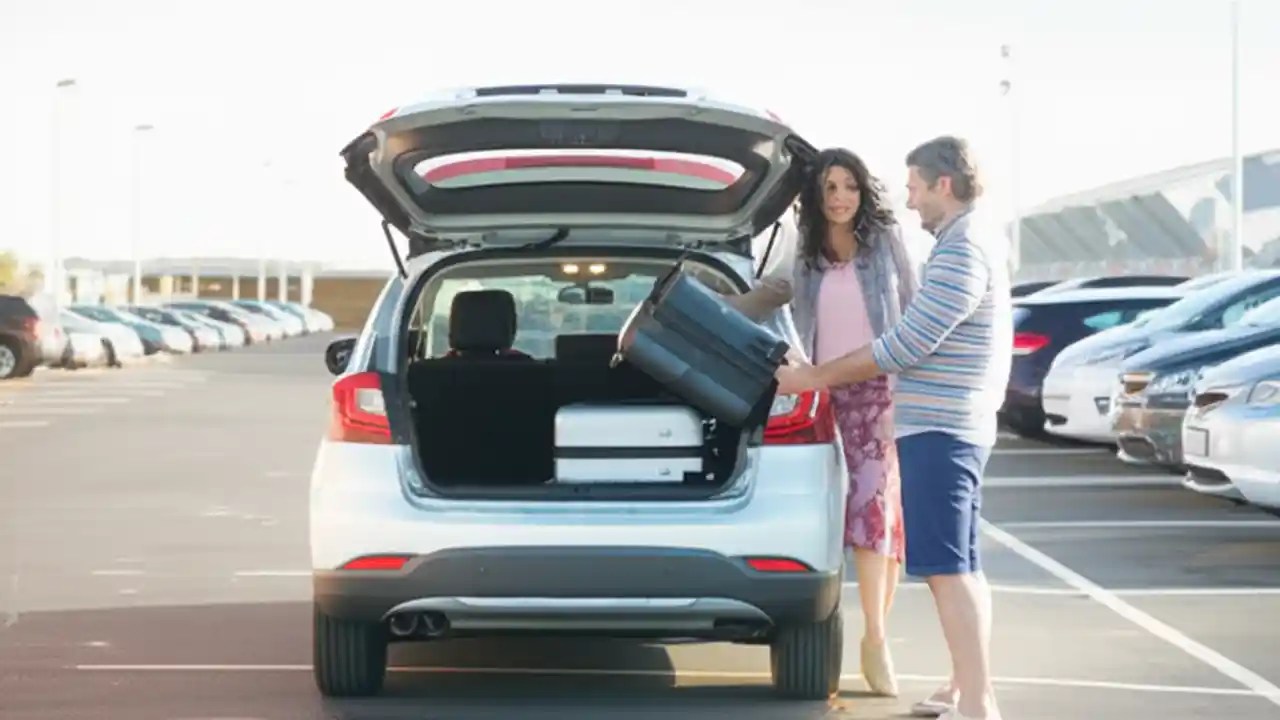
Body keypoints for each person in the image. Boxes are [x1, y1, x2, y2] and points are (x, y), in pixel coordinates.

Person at [775, 136, 1011, 720]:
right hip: (951, 424)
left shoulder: (961, 250)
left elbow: (906, 343)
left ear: (943, 185)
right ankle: (963, 687)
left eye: (914, 188)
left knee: (948, 571)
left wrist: (815, 377)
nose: (909, 201)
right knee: (964, 566)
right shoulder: (968, 240)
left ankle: (980, 705)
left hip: (942, 427)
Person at [787, 147, 919, 698]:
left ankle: (876, 637)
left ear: (864, 192)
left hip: (879, 390)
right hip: (822, 394)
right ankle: (870, 635)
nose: (840, 197)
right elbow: (788, 313)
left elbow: (912, 308)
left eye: (849, 186)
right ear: (817, 198)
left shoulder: (885, 242)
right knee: (848, 513)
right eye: (830, 188)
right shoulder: (806, 253)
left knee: (874, 510)